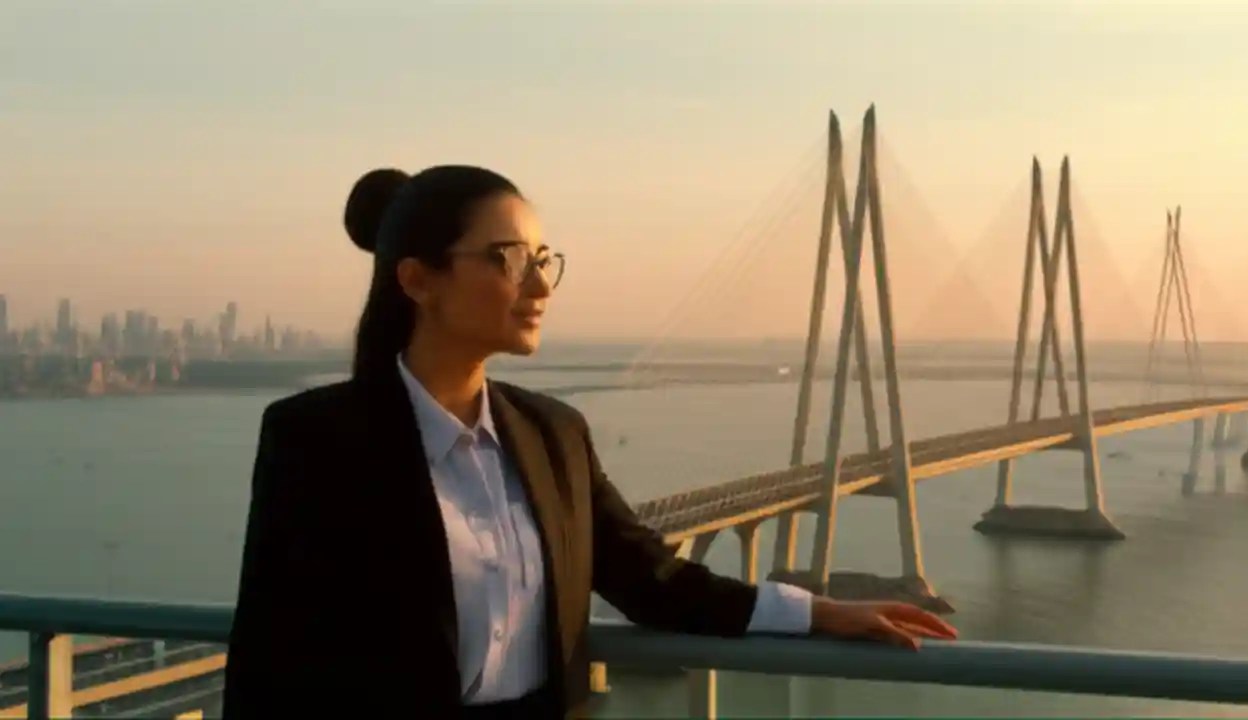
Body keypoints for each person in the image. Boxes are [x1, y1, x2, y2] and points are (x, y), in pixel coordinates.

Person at [220, 165, 957, 719]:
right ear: (418, 280)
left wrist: (817, 611)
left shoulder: (551, 435)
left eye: (546, 260)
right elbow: (269, 665)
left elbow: (651, 581)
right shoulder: (317, 441)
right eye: (510, 259)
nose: (540, 285)